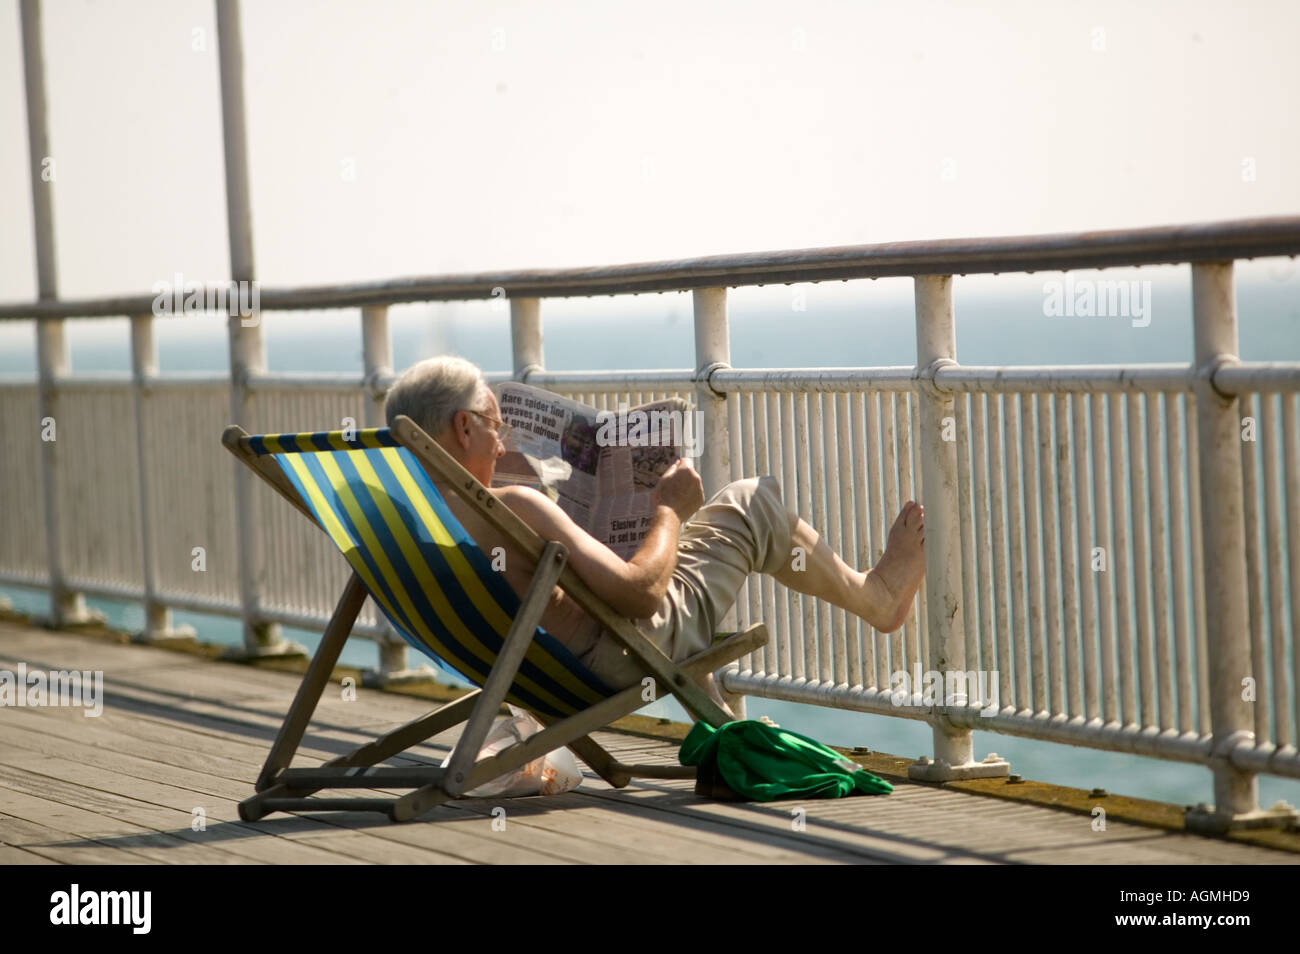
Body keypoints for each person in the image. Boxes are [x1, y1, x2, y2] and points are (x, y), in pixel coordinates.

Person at [384, 355, 926, 717]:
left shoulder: (399, 521)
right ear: (462, 427)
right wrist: (668, 510)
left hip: (527, 674)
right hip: (617, 656)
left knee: (667, 538)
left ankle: (717, 728)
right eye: (495, 427)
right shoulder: (513, 507)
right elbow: (642, 594)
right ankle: (877, 598)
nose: (502, 446)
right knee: (750, 501)